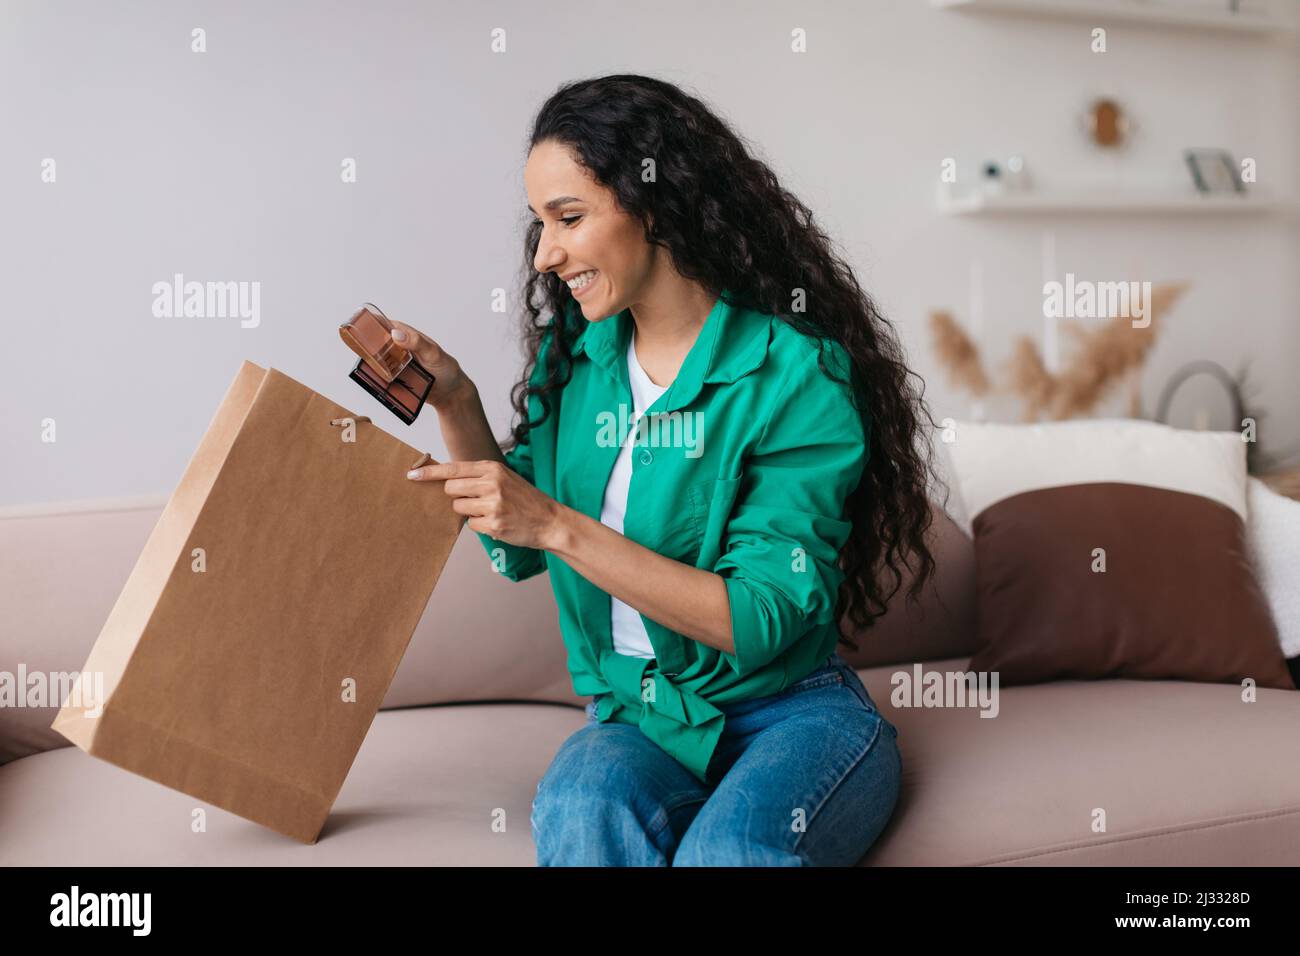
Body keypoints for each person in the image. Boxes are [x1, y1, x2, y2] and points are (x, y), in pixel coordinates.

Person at [395, 74, 940, 866]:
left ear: (654, 205)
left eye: (569, 218)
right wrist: (455, 402)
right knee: (585, 813)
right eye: (540, 223)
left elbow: (759, 618)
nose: (546, 253)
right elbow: (515, 549)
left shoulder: (792, 374)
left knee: (733, 853)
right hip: (636, 720)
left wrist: (557, 525)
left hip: (790, 714)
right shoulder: (577, 360)